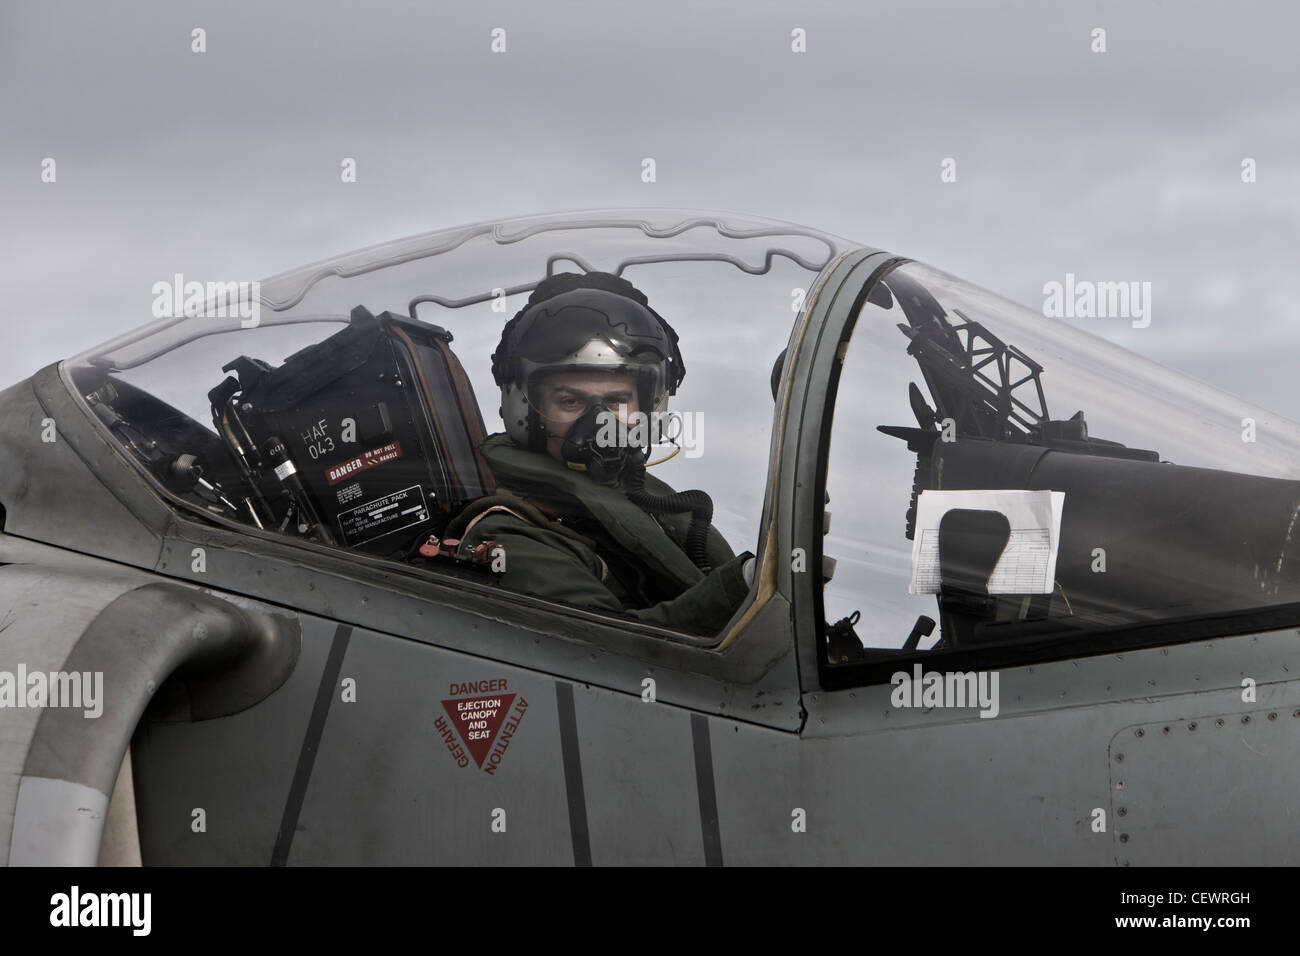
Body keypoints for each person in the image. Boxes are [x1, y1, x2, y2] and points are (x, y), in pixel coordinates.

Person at [447, 271, 753, 635]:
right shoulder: (511, 532)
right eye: (570, 400)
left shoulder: (647, 500)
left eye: (616, 400)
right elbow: (607, 649)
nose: (598, 421)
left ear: (648, 408)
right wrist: (744, 584)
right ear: (525, 411)